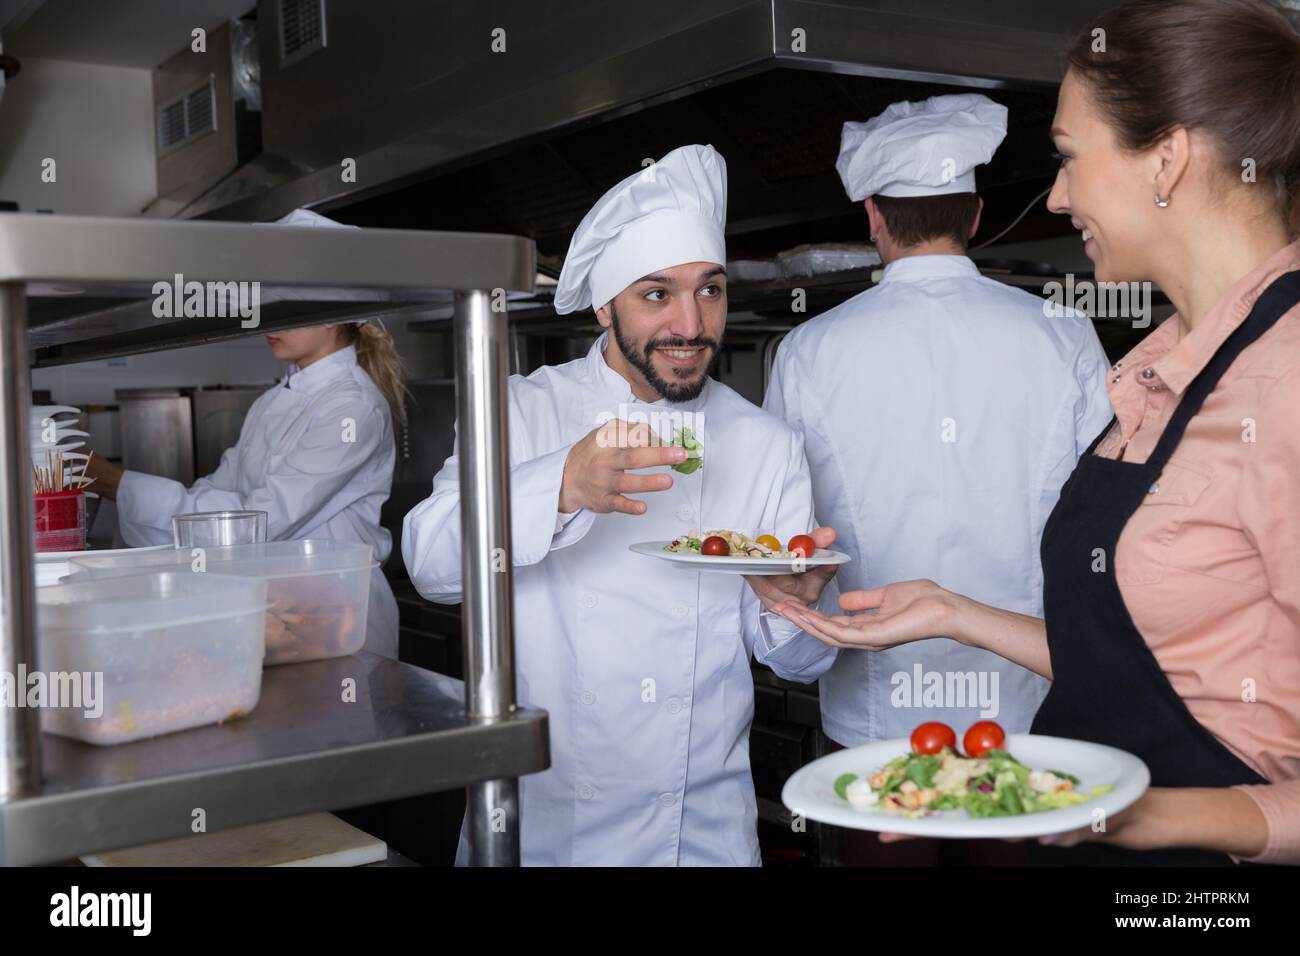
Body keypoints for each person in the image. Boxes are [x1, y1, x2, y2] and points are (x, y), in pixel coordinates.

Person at [776, 0, 1300, 866]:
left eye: (1066, 157)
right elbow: (1155, 659)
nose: (1054, 196)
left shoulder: (1282, 382)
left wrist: (1148, 818)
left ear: (1165, 158)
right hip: (1067, 791)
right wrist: (951, 612)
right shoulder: (1158, 368)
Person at [402, 145, 837, 865]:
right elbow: (431, 564)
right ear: (605, 306)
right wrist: (562, 484)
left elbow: (795, 663)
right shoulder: (521, 410)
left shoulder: (765, 442)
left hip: (699, 836)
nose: (692, 327)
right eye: (657, 294)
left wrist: (797, 609)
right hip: (550, 828)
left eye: (711, 290)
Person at [764, 94, 1111, 864]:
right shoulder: (1065, 332)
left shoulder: (808, 350)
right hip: (1026, 706)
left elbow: (783, 533)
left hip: (876, 720)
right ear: (978, 216)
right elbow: (1107, 521)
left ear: (874, 219)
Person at [83, 210, 405, 658]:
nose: (266, 323)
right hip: (278, 609)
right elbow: (212, 497)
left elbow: (262, 522)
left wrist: (119, 483)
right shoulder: (274, 400)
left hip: (338, 613)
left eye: (284, 308)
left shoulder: (353, 407)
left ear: (335, 314)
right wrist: (98, 497)